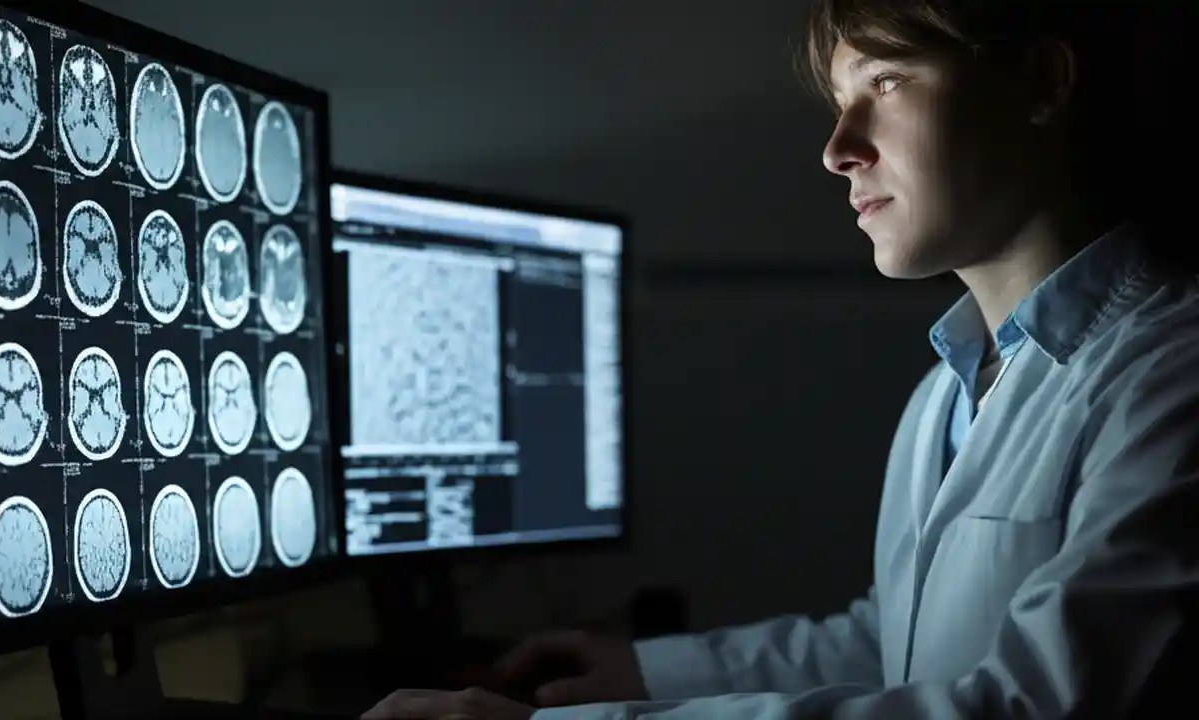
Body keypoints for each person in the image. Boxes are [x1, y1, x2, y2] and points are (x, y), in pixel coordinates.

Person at [361, 0, 1196, 717]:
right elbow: (896, 644)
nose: (839, 148)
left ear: (1043, 83)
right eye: (840, 102)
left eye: (886, 82)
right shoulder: (945, 390)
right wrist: (641, 670)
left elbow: (1034, 704)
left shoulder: (1170, 376)